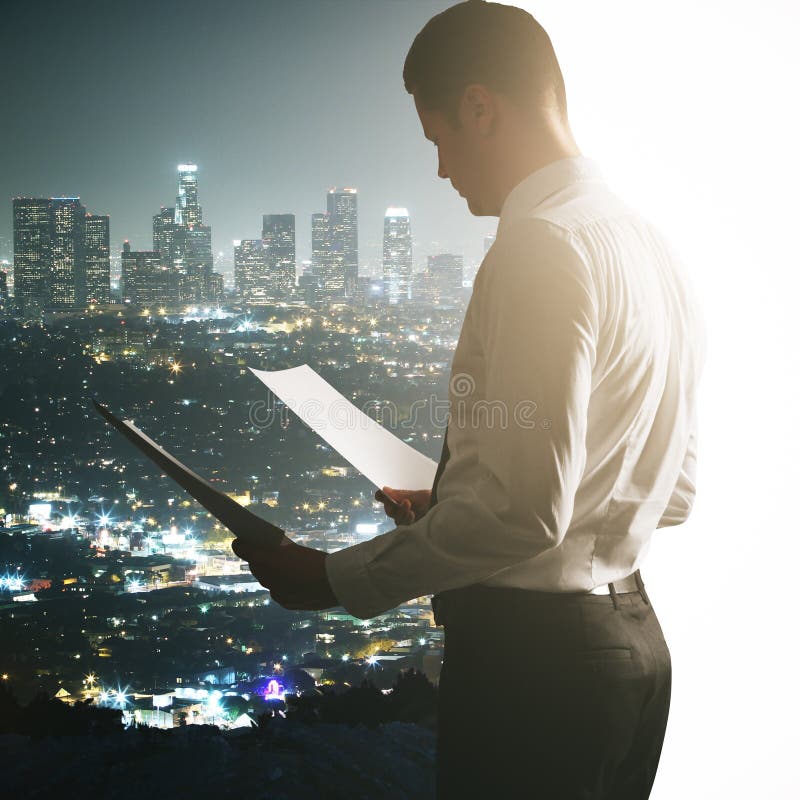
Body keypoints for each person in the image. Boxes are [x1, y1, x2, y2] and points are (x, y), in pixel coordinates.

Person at [231, 1, 707, 797]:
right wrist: (458, 503)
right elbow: (675, 490)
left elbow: (524, 513)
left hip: (535, 672)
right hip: (634, 658)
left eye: (438, 139)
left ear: (480, 108)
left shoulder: (541, 245)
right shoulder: (652, 245)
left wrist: (333, 579)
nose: (441, 170)